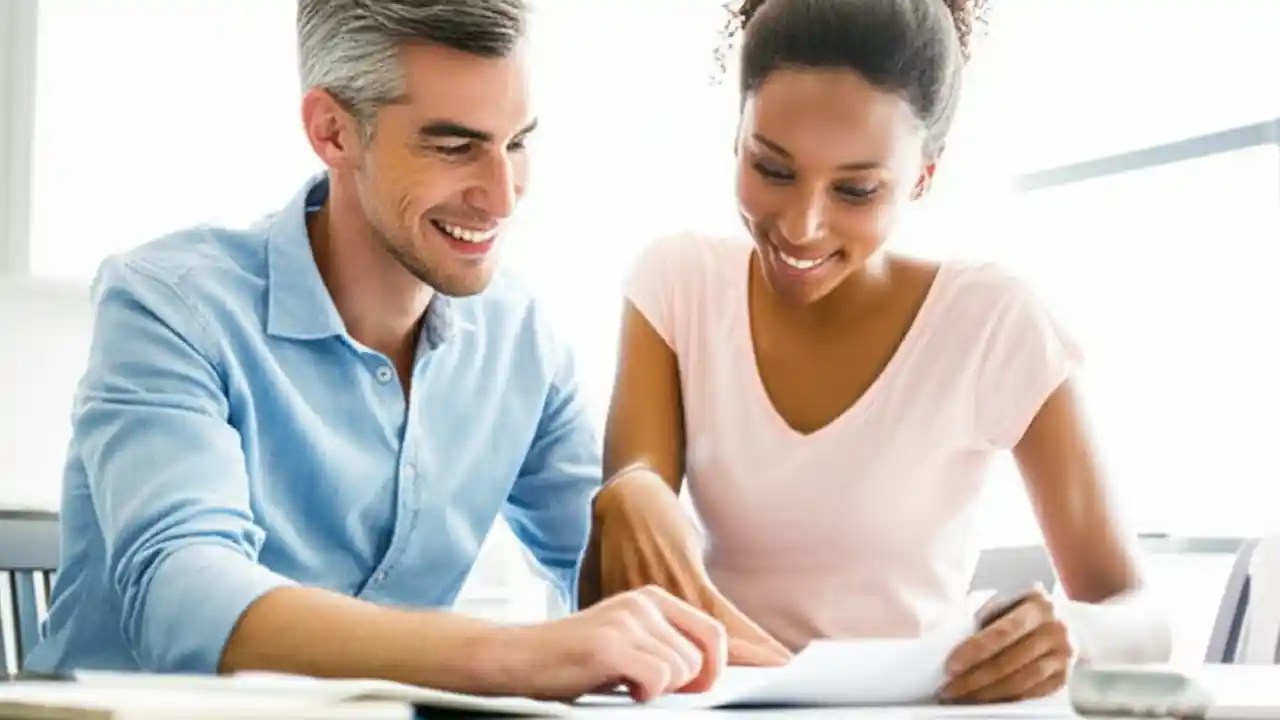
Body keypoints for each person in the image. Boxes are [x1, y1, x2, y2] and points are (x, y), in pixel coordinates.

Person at [26, 0, 728, 703]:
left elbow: (622, 586)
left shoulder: (519, 343)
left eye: (516, 144)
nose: (503, 197)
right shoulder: (170, 306)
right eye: (455, 148)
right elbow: (185, 601)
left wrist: (641, 509)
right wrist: (512, 655)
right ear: (332, 132)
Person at [583, 0, 1173, 704]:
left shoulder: (991, 323)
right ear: (737, 134)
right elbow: (616, 582)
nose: (802, 225)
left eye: (856, 189)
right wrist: (629, 492)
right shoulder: (677, 284)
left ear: (923, 176)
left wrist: (1076, 636)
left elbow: (1140, 612)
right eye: (771, 169)